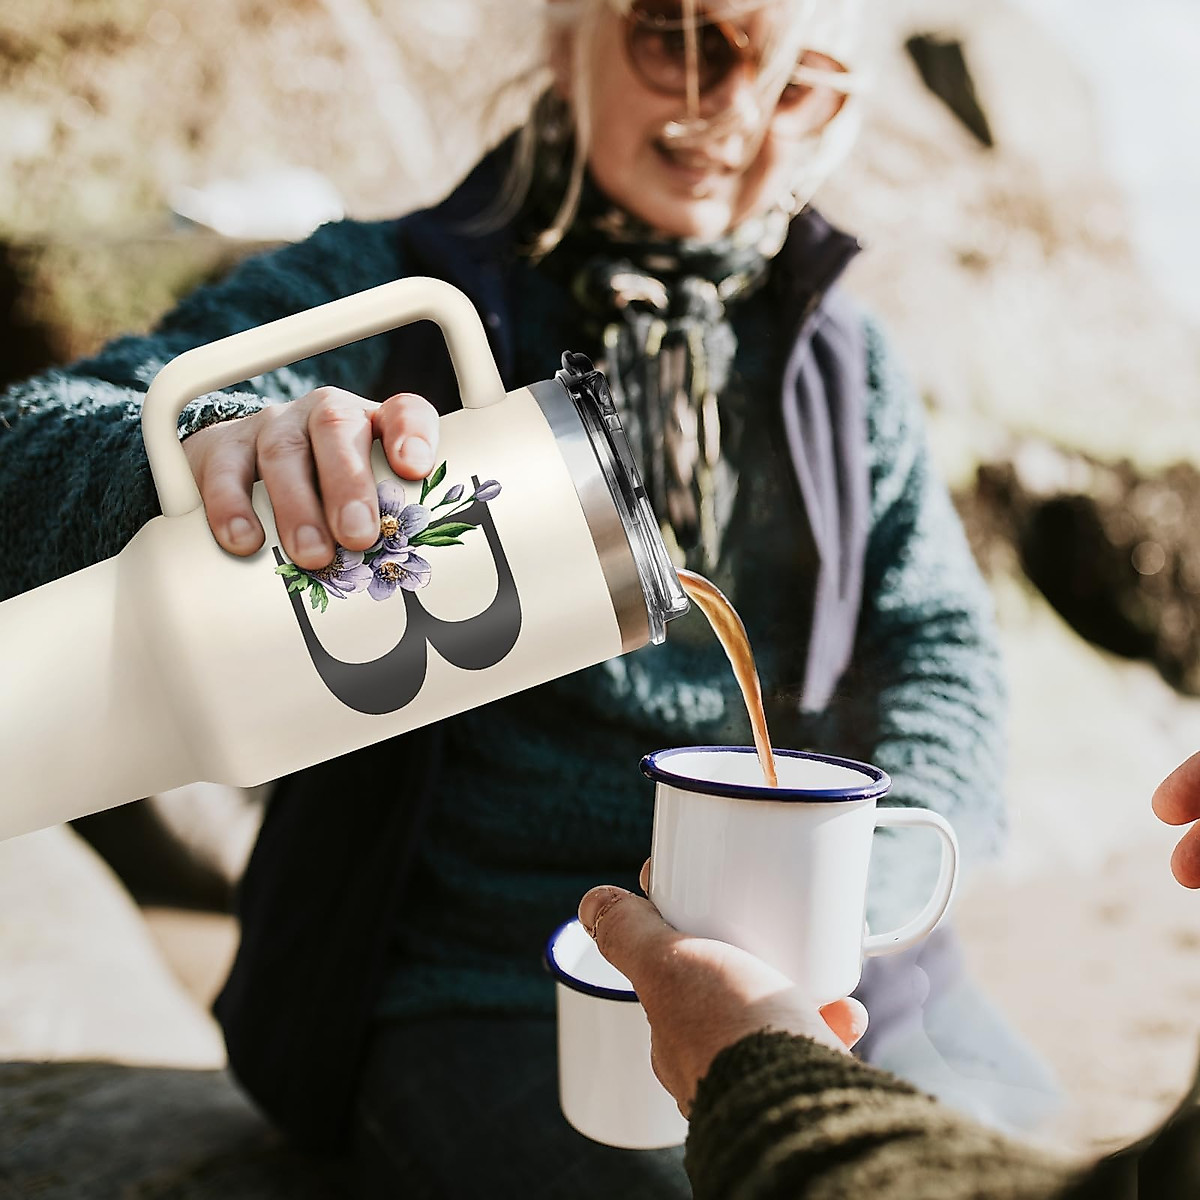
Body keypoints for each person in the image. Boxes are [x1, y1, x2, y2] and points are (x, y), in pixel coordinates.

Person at [0, 0, 1043, 1194]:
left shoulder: (843, 361)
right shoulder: (391, 291)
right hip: (482, 983)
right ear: (565, 34)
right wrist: (223, 450)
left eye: (801, 84)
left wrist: (861, 899)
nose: (734, 113)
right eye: (684, 39)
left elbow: (944, 647)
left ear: (847, 114)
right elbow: (25, 453)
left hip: (826, 982)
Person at [578, 753, 1200, 1198]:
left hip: (895, 997)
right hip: (842, 1023)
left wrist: (752, 1065)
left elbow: (952, 695)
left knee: (1023, 1102)